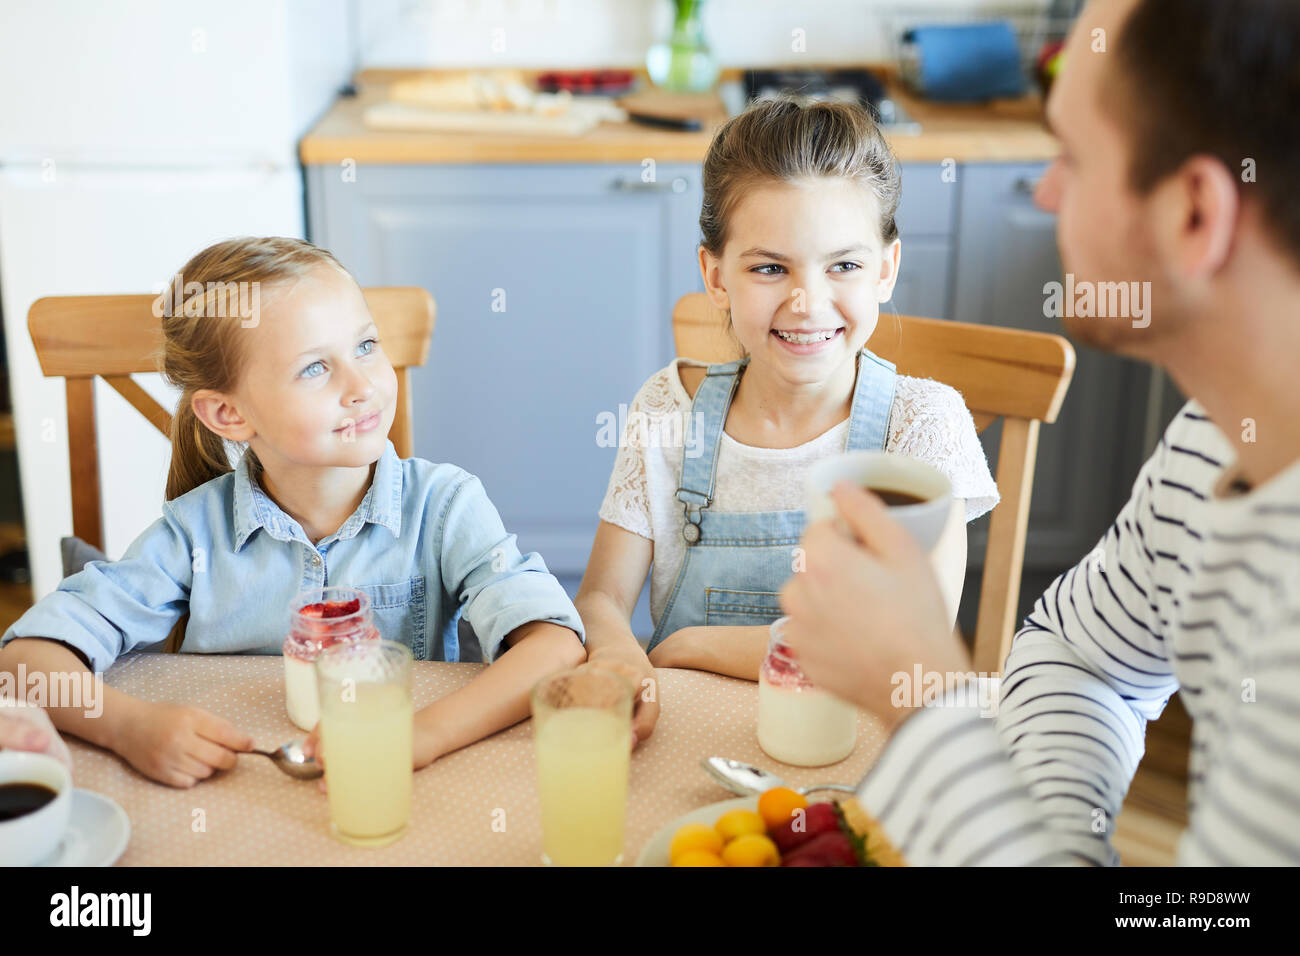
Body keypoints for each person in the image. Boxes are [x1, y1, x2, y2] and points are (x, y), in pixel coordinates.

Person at [781, 0, 1300, 864]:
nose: (1047, 188)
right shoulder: (1215, 441)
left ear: (1194, 216)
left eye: (1072, 154)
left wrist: (929, 704)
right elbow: (1081, 657)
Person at [0, 237, 585, 789]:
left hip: (394, 788)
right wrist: (127, 726)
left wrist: (419, 735)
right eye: (314, 368)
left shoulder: (446, 506)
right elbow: (25, 663)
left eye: (365, 345)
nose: (362, 386)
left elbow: (555, 646)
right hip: (236, 791)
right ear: (229, 415)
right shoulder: (192, 535)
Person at [577, 97, 1000, 742]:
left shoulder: (923, 426)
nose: (807, 303)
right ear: (714, 275)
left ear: (886, 270)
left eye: (845, 266)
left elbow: (905, 650)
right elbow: (602, 601)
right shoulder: (668, 412)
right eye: (770, 268)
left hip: (857, 756)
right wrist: (616, 652)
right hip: (692, 741)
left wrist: (693, 645)